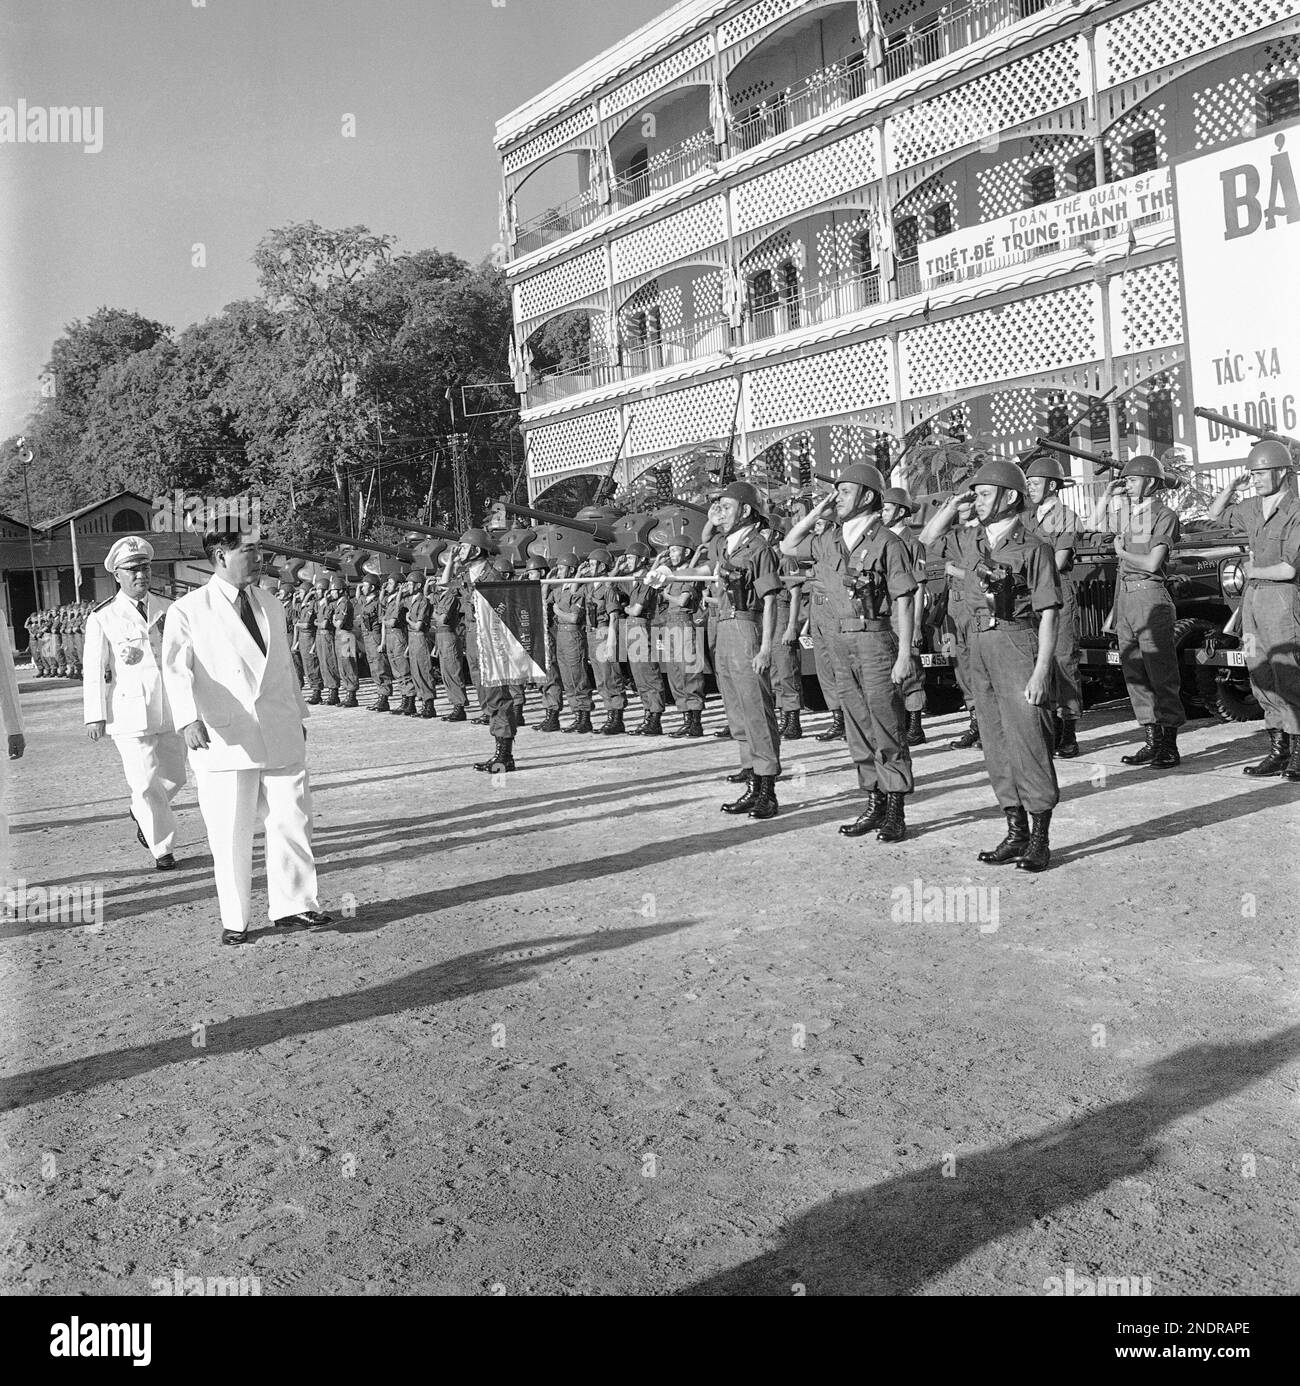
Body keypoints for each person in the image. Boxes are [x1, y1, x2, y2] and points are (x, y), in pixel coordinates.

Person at [162, 527, 329, 946]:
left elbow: (284, 667)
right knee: (230, 831)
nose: (259, 560)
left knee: (292, 818)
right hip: (224, 735)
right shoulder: (189, 610)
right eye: (250, 552)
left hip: (279, 727)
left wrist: (298, 714)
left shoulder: (270, 601)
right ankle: (235, 919)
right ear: (221, 555)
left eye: (259, 551)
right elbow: (175, 670)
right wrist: (187, 720)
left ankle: (294, 906)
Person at [924, 459, 1061, 871]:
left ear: (1010, 497)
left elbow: (1050, 613)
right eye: (977, 495)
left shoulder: (1035, 548)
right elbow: (929, 539)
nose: (978, 502)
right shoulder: (971, 541)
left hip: (1016, 642)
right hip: (977, 645)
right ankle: (1014, 830)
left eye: (985, 494)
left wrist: (1040, 671)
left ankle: (1040, 838)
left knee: (1028, 740)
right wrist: (955, 503)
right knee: (996, 741)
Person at [782, 465, 918, 843]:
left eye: (845, 491)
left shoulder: (888, 542)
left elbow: (904, 600)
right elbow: (789, 546)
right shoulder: (830, 540)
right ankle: (873, 802)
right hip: (840, 640)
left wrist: (905, 654)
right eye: (837, 491)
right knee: (857, 726)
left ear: (868, 497)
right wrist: (818, 511)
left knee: (886, 724)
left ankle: (895, 811)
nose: (837, 497)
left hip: (875, 641)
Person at [671, 481, 782, 818]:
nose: (719, 512)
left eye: (726, 506)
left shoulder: (758, 547)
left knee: (756, 710)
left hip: (745, 625)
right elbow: (703, 569)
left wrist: (764, 649)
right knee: (735, 708)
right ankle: (751, 780)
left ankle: (768, 789)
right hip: (721, 625)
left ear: (746, 511)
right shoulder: (723, 544)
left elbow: (771, 599)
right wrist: (668, 574)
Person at [83, 537, 187, 871]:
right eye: (131, 569)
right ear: (117, 575)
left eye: (144, 568)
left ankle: (140, 811)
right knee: (144, 784)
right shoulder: (103, 617)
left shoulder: (169, 608)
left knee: (175, 778)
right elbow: (93, 670)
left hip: (171, 708)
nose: (140, 575)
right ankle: (162, 848)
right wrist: (95, 714)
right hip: (129, 713)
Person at [1208, 438, 1300, 780]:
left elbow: (1289, 569)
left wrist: (1251, 570)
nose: (1256, 478)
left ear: (1281, 473)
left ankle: (1298, 753)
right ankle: (1278, 750)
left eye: (1262, 472)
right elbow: (1214, 514)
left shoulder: (1296, 511)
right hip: (1253, 602)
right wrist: (1231, 486)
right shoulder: (1249, 507)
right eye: (1252, 472)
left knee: (1287, 674)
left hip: (1282, 599)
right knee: (1258, 671)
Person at [1093, 455, 1185, 769]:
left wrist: (1121, 552)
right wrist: (1109, 494)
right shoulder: (1129, 516)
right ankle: (1152, 741)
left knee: (1161, 673)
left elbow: (1151, 563)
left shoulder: (1164, 515)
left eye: (1132, 480)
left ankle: (1169, 745)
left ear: (1149, 481)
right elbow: (1093, 524)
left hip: (1150, 595)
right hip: (1127, 597)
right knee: (1134, 674)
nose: (1128, 486)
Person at [1024, 454, 1083, 758]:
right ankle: (1047, 729)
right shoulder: (1026, 517)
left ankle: (1068, 732)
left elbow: (1059, 562)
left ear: (1051, 485)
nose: (1030, 488)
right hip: (1030, 595)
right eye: (1029, 483)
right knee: (1036, 661)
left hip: (1057, 594)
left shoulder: (1065, 516)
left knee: (1061, 660)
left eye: (1035, 483)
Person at [920, 491, 983, 751]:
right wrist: (948, 508)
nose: (964, 506)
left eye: (969, 501)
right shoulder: (958, 534)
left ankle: (990, 725)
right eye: (961, 501)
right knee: (963, 666)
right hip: (957, 606)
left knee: (982, 666)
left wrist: (956, 571)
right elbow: (926, 537)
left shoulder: (988, 532)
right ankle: (975, 722)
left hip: (978, 604)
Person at [456, 528, 517, 771]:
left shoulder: (493, 578)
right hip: (474, 641)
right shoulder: (468, 576)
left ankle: (505, 755)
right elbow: (444, 587)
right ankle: (499, 751)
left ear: (476, 550)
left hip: (491, 642)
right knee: (485, 695)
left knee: (498, 697)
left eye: (463, 546)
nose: (458, 550)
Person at [881, 486, 928, 747]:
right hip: (886, 611)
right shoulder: (881, 540)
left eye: (886, 509)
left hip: (905, 612)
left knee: (910, 667)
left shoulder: (912, 544)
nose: (882, 513)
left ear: (900, 512)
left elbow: (919, 586)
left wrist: (917, 624)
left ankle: (915, 726)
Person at [651, 538, 706, 737]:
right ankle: (685, 718)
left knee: (689, 672)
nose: (672, 555)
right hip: (669, 624)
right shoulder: (670, 575)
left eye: (675, 551)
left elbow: (683, 601)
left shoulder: (689, 574)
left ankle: (695, 722)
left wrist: (667, 596)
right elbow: (649, 579)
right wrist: (658, 560)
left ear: (686, 553)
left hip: (683, 622)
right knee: (675, 673)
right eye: (670, 551)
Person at [582, 547, 628, 735]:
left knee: (611, 676)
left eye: (594, 564)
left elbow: (614, 616)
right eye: (590, 564)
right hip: (591, 633)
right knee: (600, 679)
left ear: (602, 566)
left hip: (603, 633)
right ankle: (610, 715)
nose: (590, 567)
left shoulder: (608, 588)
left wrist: (611, 642)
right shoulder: (588, 585)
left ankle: (617, 718)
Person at [621, 543, 666, 736]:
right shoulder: (634, 579)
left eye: (631, 558)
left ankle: (654, 718)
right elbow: (611, 583)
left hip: (642, 626)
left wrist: (626, 609)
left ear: (641, 559)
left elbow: (636, 609)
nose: (627, 561)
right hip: (633, 628)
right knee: (638, 675)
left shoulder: (647, 579)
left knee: (648, 674)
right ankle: (647, 714)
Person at [552, 549, 595, 734]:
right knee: (567, 679)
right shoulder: (560, 588)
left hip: (572, 634)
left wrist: (558, 612)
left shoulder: (578, 589)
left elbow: (573, 618)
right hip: (561, 635)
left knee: (577, 676)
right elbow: (545, 594)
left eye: (561, 569)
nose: (558, 572)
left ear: (571, 570)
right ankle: (576, 715)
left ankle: (585, 717)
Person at [771, 550, 806, 740]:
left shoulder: (786, 560)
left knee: (787, 669)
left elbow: (796, 593)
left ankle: (793, 720)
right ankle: (783, 717)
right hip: (769, 614)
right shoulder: (767, 559)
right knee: (774, 672)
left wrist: (792, 626)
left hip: (783, 613)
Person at [430, 566, 469, 723]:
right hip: (441, 636)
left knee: (453, 671)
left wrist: (431, 611)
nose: (438, 582)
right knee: (446, 673)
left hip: (448, 635)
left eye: (440, 579)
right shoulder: (441, 597)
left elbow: (441, 620)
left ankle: (460, 707)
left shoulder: (450, 597)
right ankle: (455, 704)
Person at [355, 570, 392, 712]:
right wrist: (361, 586)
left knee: (380, 667)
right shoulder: (366, 601)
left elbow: (383, 623)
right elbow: (359, 598)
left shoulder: (378, 603)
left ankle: (384, 698)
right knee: (373, 667)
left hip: (375, 635)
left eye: (365, 586)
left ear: (371, 587)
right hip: (367, 637)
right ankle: (380, 696)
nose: (362, 588)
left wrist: (382, 642)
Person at [404, 569, 438, 718]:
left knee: (424, 670)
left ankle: (429, 705)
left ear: (418, 585)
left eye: (410, 584)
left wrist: (407, 620)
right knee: (415, 671)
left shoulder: (423, 601)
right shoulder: (413, 601)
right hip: (412, 638)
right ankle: (423, 702)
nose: (408, 587)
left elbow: (418, 625)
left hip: (419, 637)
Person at [380, 571, 415, 717]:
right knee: (396, 670)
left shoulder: (402, 599)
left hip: (397, 635)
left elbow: (392, 621)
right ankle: (404, 700)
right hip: (389, 636)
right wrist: (383, 589)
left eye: (390, 582)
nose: (387, 585)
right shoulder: (389, 599)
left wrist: (384, 620)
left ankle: (410, 701)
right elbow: (381, 606)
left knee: (403, 669)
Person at [328, 572, 360, 709]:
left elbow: (338, 623)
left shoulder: (344, 603)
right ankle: (348, 693)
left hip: (345, 635)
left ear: (340, 591)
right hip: (340, 635)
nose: (332, 593)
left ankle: (352, 695)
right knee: (342, 665)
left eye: (334, 591)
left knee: (348, 665)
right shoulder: (338, 603)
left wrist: (334, 620)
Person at [312, 571, 340, 706]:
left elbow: (323, 623)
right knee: (322, 664)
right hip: (320, 635)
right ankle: (329, 692)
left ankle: (334, 692)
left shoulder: (331, 604)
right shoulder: (318, 603)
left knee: (330, 663)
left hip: (328, 635)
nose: (316, 592)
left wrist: (317, 623)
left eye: (319, 589)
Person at [294, 575, 321, 704]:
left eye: (301, 591)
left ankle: (317, 691)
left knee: (312, 665)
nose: (298, 594)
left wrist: (297, 624)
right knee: (306, 666)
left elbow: (305, 624)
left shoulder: (311, 605)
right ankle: (313, 689)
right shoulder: (305, 605)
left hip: (309, 637)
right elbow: (297, 611)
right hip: (303, 637)